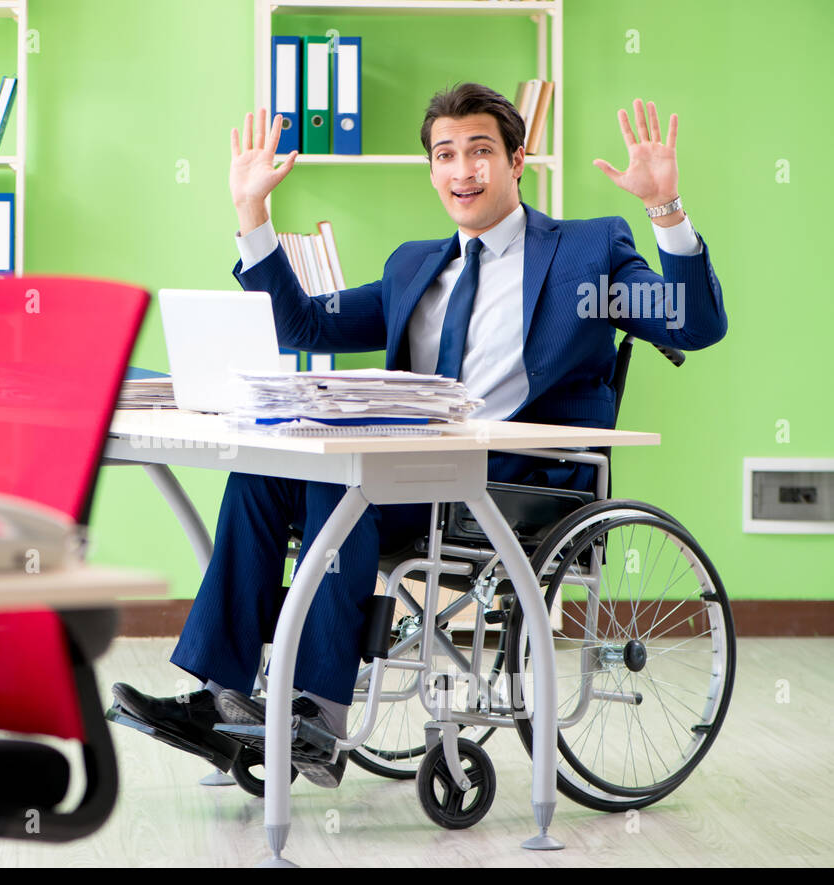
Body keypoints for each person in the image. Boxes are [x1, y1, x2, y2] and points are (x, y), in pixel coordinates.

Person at [112, 83, 727, 788]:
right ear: (431, 169)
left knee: (343, 488)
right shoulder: (416, 265)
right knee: (263, 476)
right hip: (411, 476)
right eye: (445, 154)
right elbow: (306, 326)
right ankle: (219, 694)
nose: (462, 170)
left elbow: (692, 326)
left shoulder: (587, 253)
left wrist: (664, 209)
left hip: (515, 484)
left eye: (480, 151)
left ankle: (317, 715)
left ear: (517, 157)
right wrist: (252, 213)